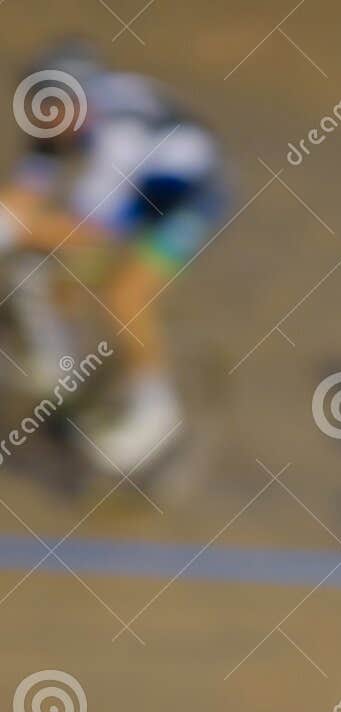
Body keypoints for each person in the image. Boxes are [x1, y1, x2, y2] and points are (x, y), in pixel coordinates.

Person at [0, 39, 226, 474]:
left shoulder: (113, 134)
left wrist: (17, 227)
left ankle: (155, 412)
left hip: (190, 197)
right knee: (46, 265)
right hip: (141, 186)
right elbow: (22, 196)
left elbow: (90, 232)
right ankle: (60, 367)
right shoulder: (60, 117)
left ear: (81, 99)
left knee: (123, 292)